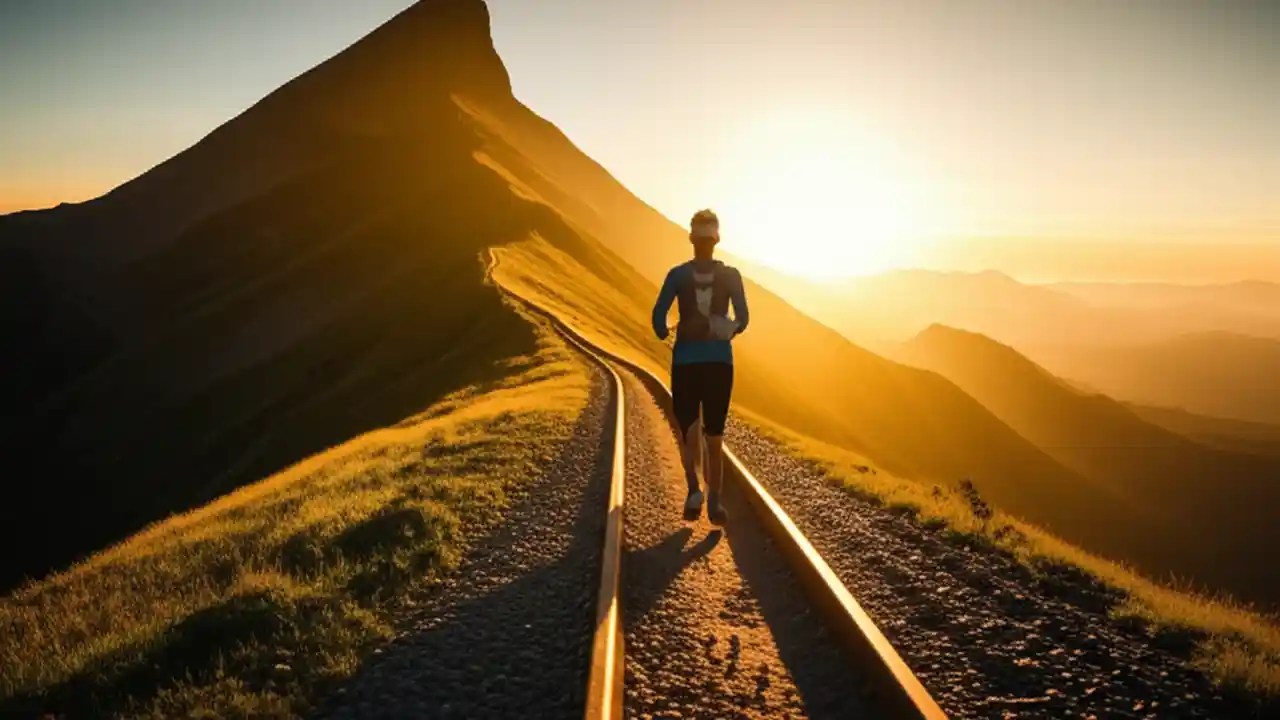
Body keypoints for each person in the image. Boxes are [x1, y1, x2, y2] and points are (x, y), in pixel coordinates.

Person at [651, 209, 749, 525]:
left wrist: (667, 331)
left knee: (689, 431)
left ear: (692, 238)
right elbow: (743, 319)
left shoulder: (677, 275)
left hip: (686, 363)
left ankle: (694, 491)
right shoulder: (731, 276)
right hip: (720, 363)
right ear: (716, 239)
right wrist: (721, 328)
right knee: (715, 437)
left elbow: (658, 318)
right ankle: (716, 504)